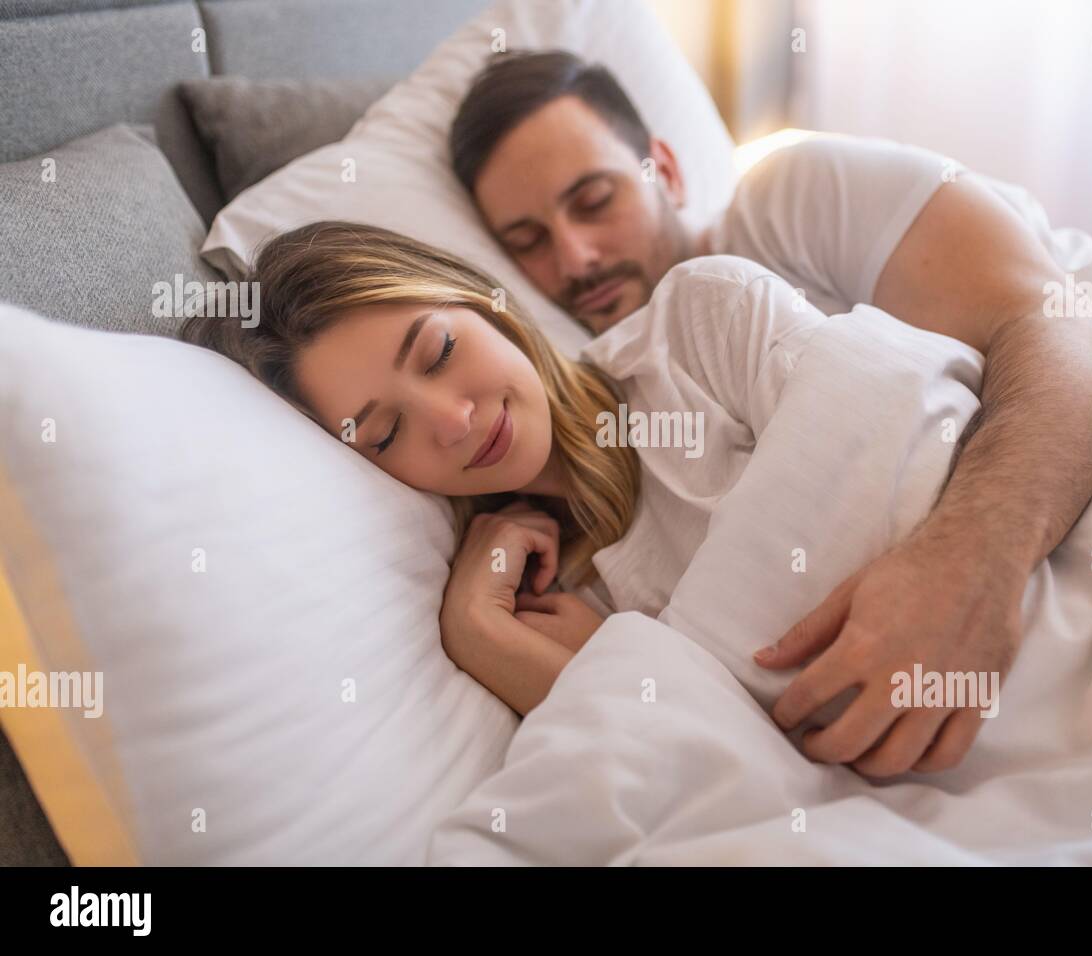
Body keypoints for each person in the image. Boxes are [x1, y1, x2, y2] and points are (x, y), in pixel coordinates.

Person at [447, 50, 1092, 775]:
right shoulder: (603, 418)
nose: (576, 258)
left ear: (667, 174)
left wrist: (968, 563)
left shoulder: (784, 203)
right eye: (529, 243)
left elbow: (1068, 327)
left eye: (593, 202)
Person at [182, 221, 983, 776]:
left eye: (441, 351)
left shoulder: (696, 333)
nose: (455, 422)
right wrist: (480, 632)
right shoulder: (547, 605)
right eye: (386, 436)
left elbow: (915, 434)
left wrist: (639, 656)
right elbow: (709, 774)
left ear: (479, 298)